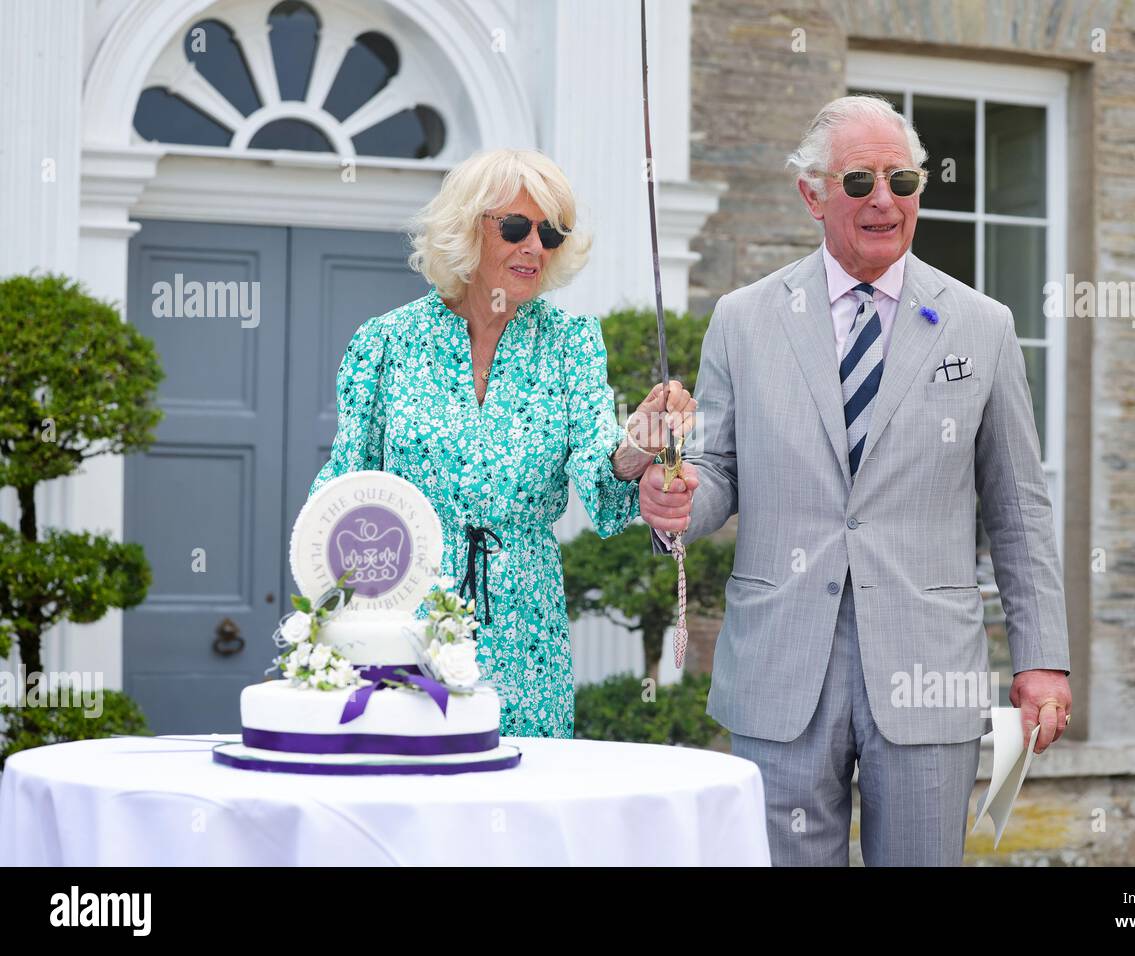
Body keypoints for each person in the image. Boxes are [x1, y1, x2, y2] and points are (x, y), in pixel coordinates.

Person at [640, 95, 1071, 865]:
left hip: (927, 668)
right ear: (811, 194)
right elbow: (714, 472)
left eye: (902, 181)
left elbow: (1018, 509)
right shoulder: (743, 320)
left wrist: (1042, 661)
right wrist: (672, 500)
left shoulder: (982, 325)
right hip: (781, 666)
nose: (885, 199)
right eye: (861, 180)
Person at [310, 148, 695, 739]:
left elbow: (602, 477)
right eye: (516, 227)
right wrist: (334, 627)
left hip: (527, 627)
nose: (535, 246)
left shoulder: (571, 343)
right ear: (468, 231)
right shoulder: (385, 343)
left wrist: (639, 443)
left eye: (551, 232)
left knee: (521, 806)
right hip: (403, 617)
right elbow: (341, 493)